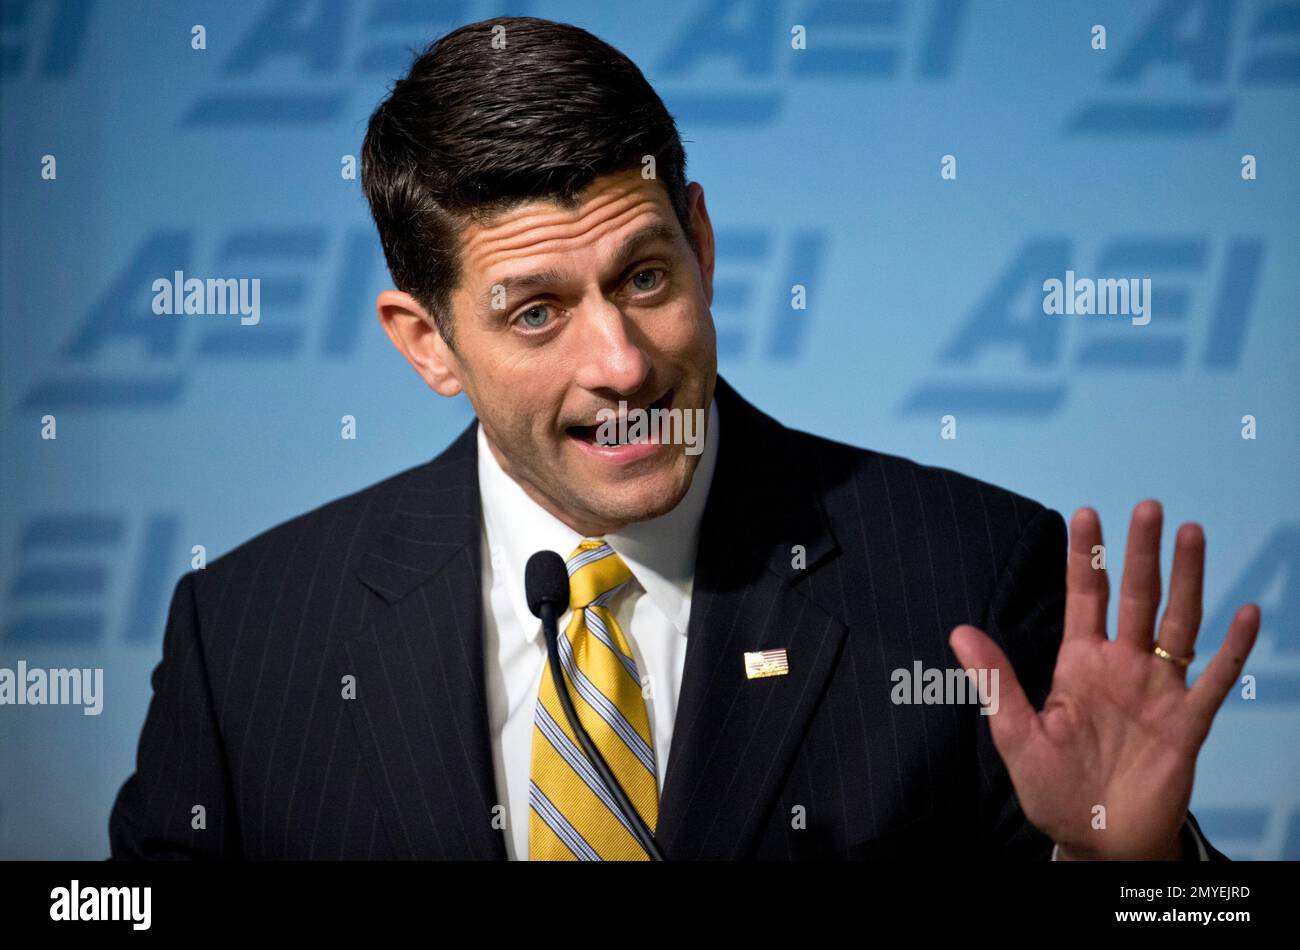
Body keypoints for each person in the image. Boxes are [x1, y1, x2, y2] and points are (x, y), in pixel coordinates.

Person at [108, 15, 1258, 861]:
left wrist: (1136, 866)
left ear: (701, 241)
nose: (620, 361)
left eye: (645, 275)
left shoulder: (965, 574)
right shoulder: (250, 642)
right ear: (426, 343)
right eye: (537, 312)